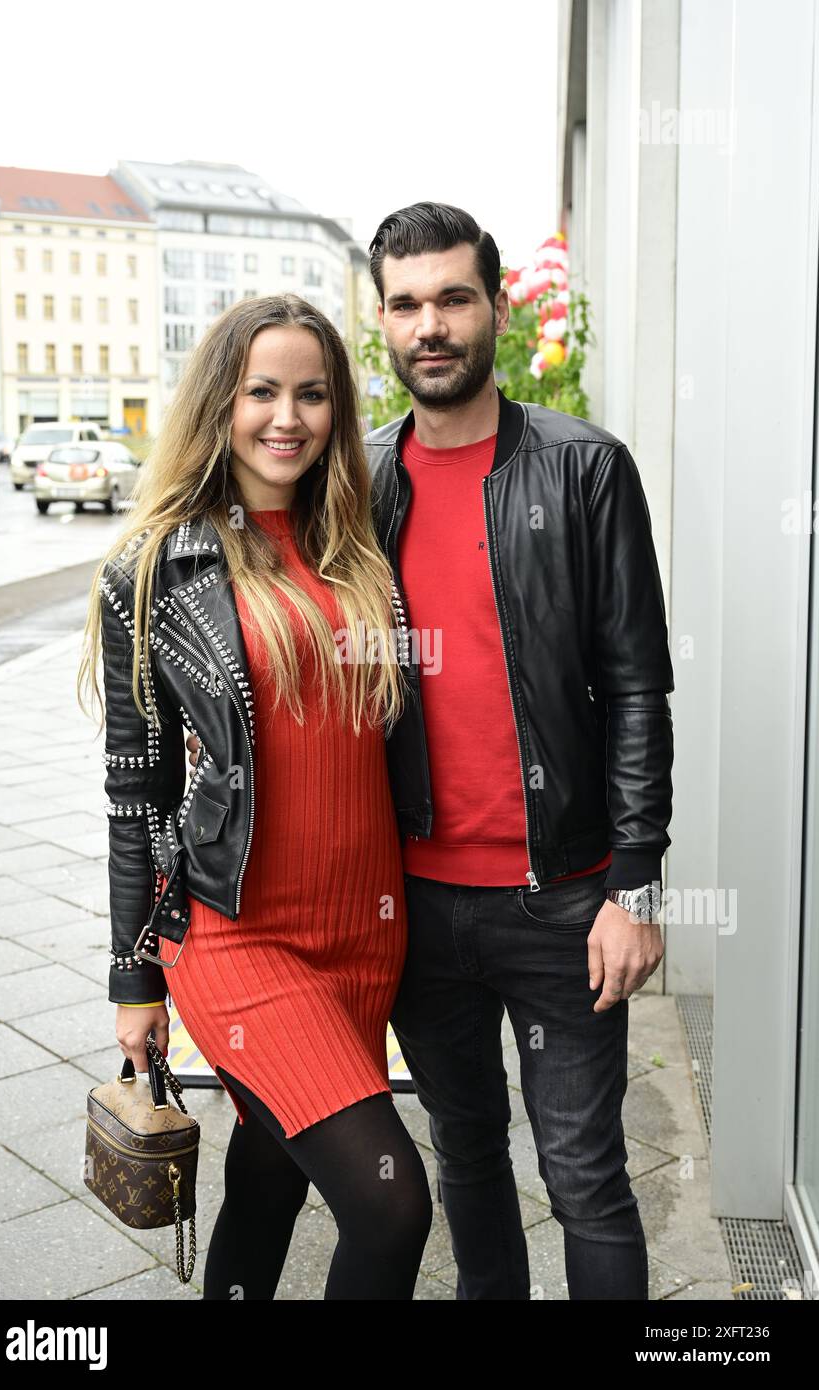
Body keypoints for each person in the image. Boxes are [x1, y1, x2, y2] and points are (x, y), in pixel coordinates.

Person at [182, 203, 674, 1302]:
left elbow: (638, 685)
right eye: (406, 304)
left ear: (496, 306)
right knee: (464, 1157)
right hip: (414, 905)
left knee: (586, 1177)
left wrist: (637, 885)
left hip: (565, 896)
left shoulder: (585, 469)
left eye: (453, 297)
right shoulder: (357, 482)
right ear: (383, 324)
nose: (431, 324)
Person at [78, 294, 432, 1300]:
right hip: (241, 939)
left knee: (272, 1172)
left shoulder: (358, 544)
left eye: (312, 394)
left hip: (366, 933)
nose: (289, 416)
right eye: (262, 391)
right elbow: (134, 792)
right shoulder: (155, 568)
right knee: (391, 1200)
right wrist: (132, 978)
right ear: (219, 404)